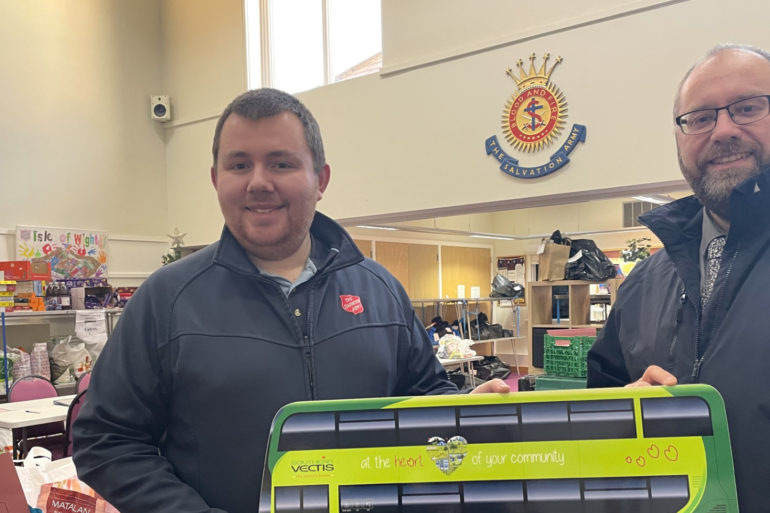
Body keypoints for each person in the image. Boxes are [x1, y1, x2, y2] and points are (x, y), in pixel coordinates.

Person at [72, 88, 508, 513]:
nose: (258, 182)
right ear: (215, 179)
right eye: (239, 165)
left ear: (320, 180)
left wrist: (461, 412)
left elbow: (422, 395)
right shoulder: (166, 299)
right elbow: (105, 439)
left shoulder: (381, 291)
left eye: (281, 163)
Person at [587, 44, 770, 512]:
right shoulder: (645, 283)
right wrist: (617, 414)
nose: (724, 130)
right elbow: (600, 410)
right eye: (701, 117)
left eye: (748, 108)